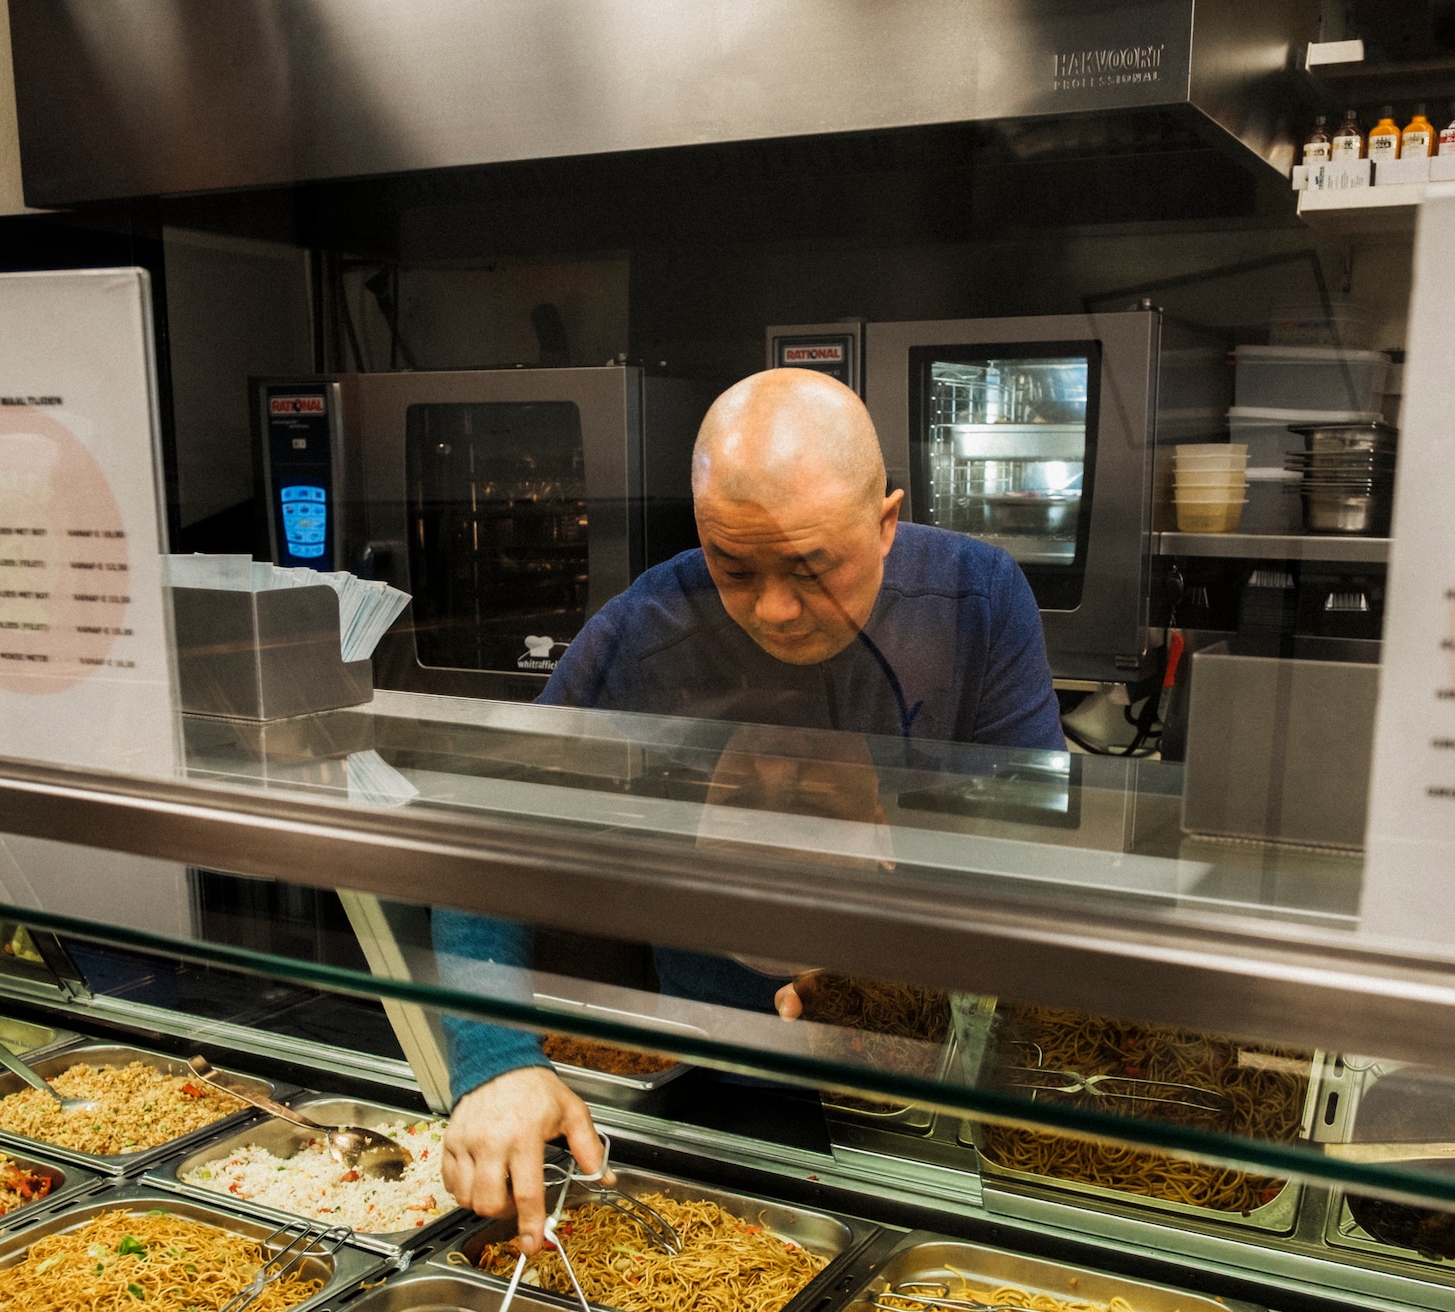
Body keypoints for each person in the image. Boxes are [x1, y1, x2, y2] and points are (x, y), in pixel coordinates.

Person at [433, 368, 1064, 1249]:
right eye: (734, 567)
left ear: (886, 524)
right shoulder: (648, 627)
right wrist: (494, 1058)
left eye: (813, 568)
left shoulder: (976, 603)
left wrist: (885, 986)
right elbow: (486, 839)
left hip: (926, 1084)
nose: (775, 608)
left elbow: (1031, 846)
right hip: (712, 1070)